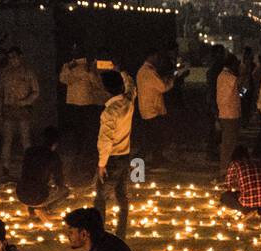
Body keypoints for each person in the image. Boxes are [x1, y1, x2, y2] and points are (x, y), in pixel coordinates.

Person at [94, 69, 135, 240]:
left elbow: (105, 140)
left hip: (112, 159)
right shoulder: (128, 102)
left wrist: (101, 164)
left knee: (100, 197)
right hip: (125, 155)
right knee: (121, 195)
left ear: (106, 90)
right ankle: (121, 233)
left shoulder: (109, 112)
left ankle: (98, 235)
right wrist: (122, 71)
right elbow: (132, 87)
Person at [59, 53, 107, 174]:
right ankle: (79, 152)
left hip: (89, 103)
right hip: (74, 103)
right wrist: (69, 68)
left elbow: (97, 83)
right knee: (77, 129)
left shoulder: (92, 66)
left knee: (89, 129)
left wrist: (90, 72)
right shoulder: (68, 65)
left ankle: (88, 152)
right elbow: (63, 79)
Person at [0, 47, 39, 182]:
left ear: (20, 57)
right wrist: (0, 108)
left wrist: (25, 101)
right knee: (7, 140)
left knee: (25, 140)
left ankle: (30, 169)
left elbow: (35, 91)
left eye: (14, 57)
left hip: (23, 109)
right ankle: (5, 170)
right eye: (10, 58)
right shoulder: (5, 73)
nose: (12, 60)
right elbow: (0, 92)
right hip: (8, 108)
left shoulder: (28, 72)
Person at [17, 126, 68, 224]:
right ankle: (45, 208)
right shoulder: (53, 156)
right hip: (38, 195)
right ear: (55, 143)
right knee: (65, 191)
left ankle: (31, 209)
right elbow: (59, 182)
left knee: (32, 185)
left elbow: (24, 171)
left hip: (21, 193)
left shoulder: (29, 151)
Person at [136, 51, 177, 167]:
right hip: (152, 110)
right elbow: (163, 87)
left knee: (155, 137)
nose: (158, 59)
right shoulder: (148, 72)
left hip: (149, 108)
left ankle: (155, 159)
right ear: (150, 56)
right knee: (153, 138)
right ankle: (138, 161)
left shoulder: (145, 71)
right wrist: (172, 79)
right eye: (156, 57)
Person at [221, 146, 261, 218]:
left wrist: (237, 186)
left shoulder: (235, 164)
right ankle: (260, 210)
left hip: (247, 203)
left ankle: (246, 210)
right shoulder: (259, 163)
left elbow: (228, 185)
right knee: (248, 193)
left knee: (224, 197)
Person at [216, 54, 243, 176]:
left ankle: (226, 168)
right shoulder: (231, 78)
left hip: (224, 113)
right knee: (229, 144)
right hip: (231, 114)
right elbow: (241, 92)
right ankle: (226, 170)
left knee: (227, 143)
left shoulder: (221, 76)